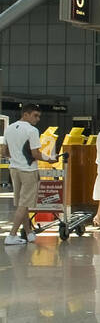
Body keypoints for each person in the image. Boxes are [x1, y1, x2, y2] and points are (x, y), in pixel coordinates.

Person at [4, 103, 46, 246]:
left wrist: (16, 157)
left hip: (14, 169)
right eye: (35, 115)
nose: (37, 119)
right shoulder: (32, 130)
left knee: (23, 203)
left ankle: (28, 233)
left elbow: (4, 152)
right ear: (25, 114)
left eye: (39, 116)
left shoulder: (9, 128)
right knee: (24, 203)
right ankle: (11, 235)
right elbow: (35, 154)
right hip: (28, 170)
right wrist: (49, 158)